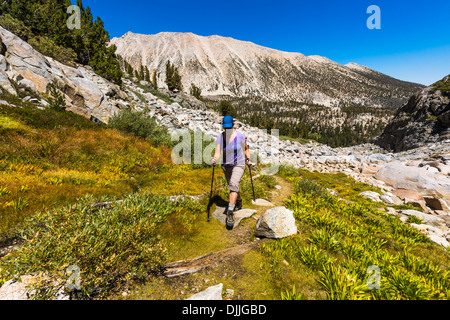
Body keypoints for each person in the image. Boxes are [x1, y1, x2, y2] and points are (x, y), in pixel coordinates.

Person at [211, 115, 252, 229]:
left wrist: (248, 159)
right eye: (225, 127)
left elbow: (246, 149)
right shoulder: (220, 137)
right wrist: (214, 159)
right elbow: (218, 152)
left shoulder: (240, 136)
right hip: (226, 165)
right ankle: (238, 201)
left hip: (239, 163)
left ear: (233, 125)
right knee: (232, 185)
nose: (227, 129)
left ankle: (230, 213)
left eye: (229, 127)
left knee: (233, 184)